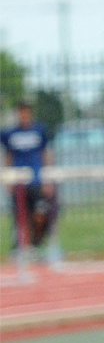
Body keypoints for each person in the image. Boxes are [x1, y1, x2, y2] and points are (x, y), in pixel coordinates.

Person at [5, 101, 56, 260]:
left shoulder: (39, 130)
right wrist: (8, 179)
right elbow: (8, 156)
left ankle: (36, 243)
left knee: (41, 212)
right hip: (19, 182)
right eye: (21, 113)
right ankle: (22, 247)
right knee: (20, 216)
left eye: (26, 112)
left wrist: (48, 179)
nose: (24, 116)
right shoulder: (11, 134)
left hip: (37, 180)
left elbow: (45, 153)